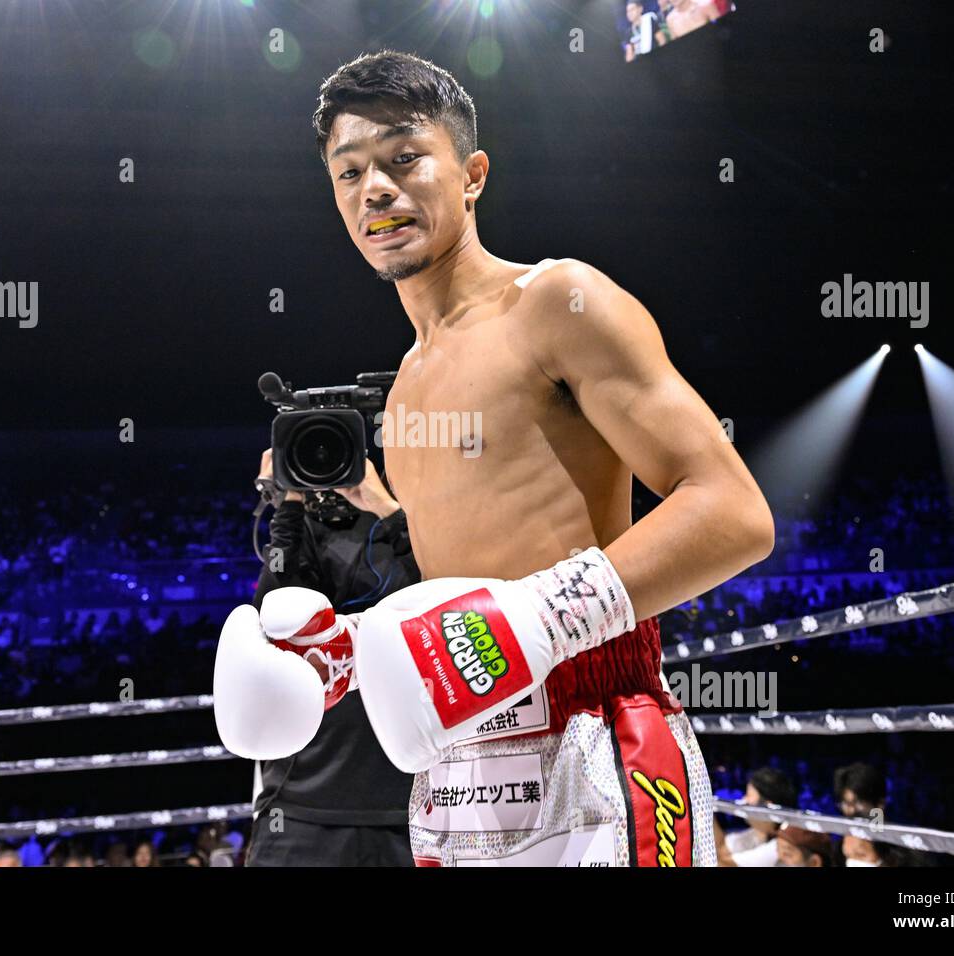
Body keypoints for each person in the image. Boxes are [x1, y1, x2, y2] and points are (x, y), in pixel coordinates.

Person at [215, 50, 773, 867]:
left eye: (405, 158)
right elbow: (467, 610)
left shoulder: (555, 303)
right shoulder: (404, 390)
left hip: (595, 737)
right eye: (350, 171)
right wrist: (351, 653)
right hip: (455, 771)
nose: (376, 187)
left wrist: (539, 619)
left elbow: (733, 513)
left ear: (472, 174)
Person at [244, 451, 417, 866]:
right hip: (302, 807)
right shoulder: (299, 537)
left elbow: (444, 607)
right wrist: (288, 506)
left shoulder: (413, 537)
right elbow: (273, 622)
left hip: (410, 811)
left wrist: (386, 509)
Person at [718, 766, 796, 867]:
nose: (743, 799)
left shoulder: (786, 841)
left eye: (748, 795)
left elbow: (725, 864)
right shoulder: (759, 832)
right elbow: (721, 850)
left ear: (767, 807)